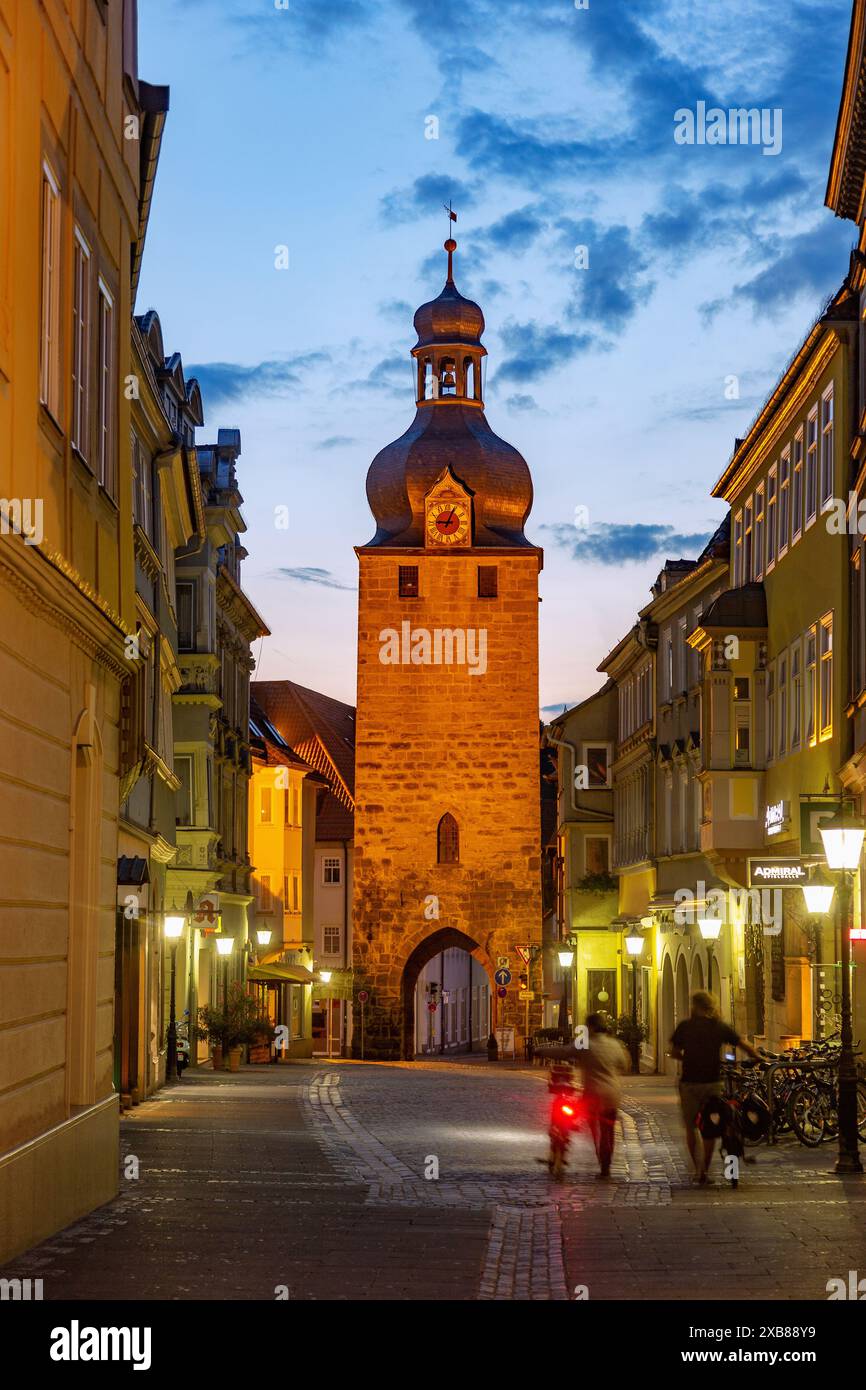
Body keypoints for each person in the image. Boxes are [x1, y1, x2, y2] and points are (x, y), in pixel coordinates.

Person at [669, 990, 763, 1183]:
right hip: (712, 1082)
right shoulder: (718, 1026)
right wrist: (758, 1057)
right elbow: (741, 1043)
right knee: (710, 1127)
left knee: (690, 1127)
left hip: (689, 1083)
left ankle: (698, 1171)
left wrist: (689, 1058)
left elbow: (674, 1052)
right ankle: (705, 1167)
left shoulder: (685, 1027)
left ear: (695, 1006)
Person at [573, 1013, 630, 1179]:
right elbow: (625, 1065)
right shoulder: (615, 1044)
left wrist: (541, 1050)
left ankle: (600, 1152)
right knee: (608, 1129)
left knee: (593, 1125)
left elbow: (564, 1051)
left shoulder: (585, 1044)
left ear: (590, 1027)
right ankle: (606, 1165)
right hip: (612, 1094)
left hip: (592, 1095)